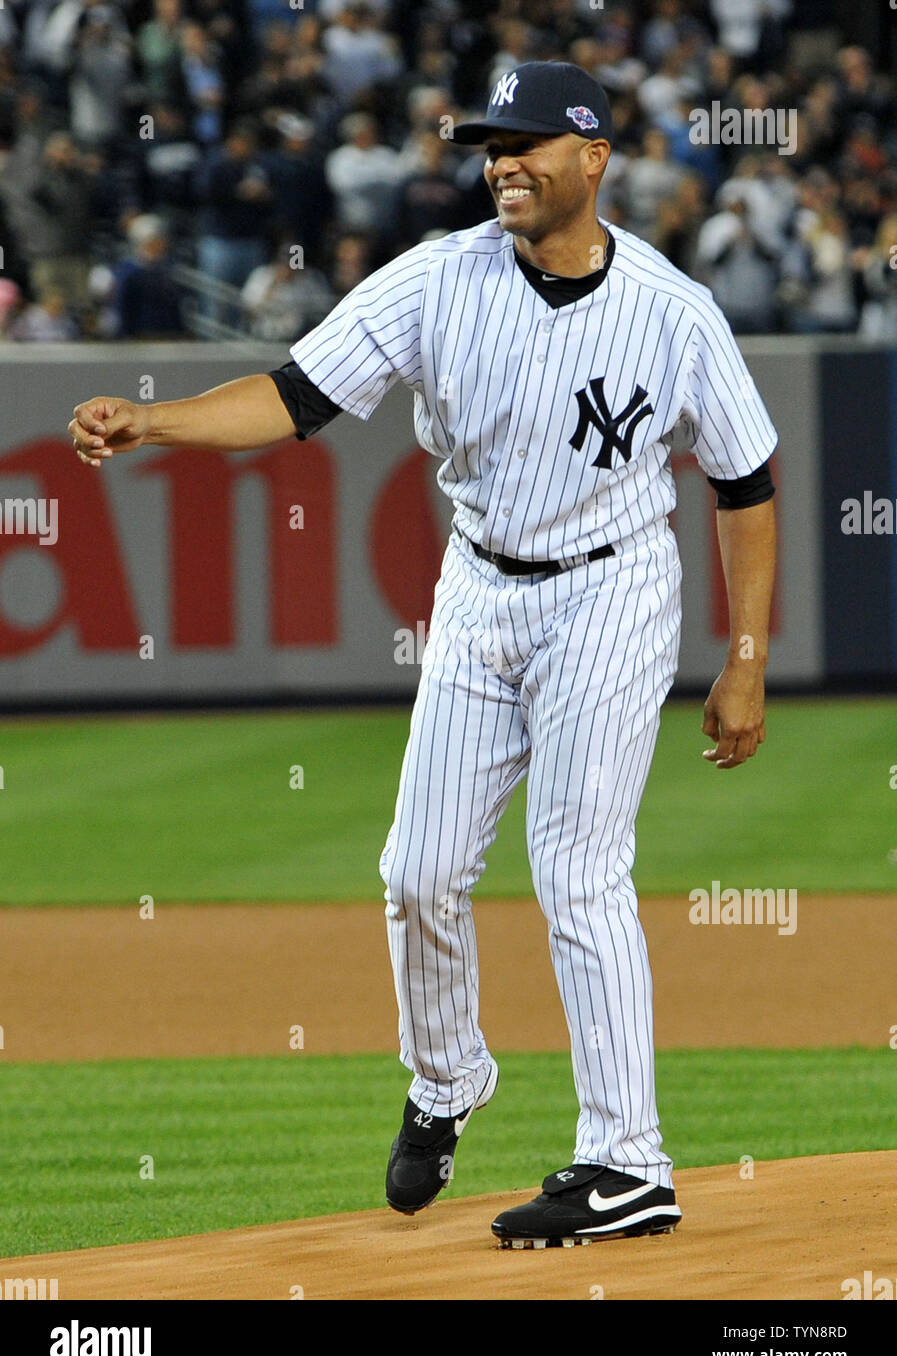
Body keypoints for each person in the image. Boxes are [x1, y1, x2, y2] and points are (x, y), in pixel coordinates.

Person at [69, 61, 777, 1249]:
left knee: (577, 863)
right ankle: (448, 1081)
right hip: (479, 588)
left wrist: (747, 651)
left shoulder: (671, 309)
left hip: (613, 593)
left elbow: (747, 483)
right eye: (491, 141)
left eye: (530, 140)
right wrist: (156, 422)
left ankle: (628, 1158)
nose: (502, 159)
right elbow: (296, 398)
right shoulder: (441, 279)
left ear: (594, 158)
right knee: (416, 870)